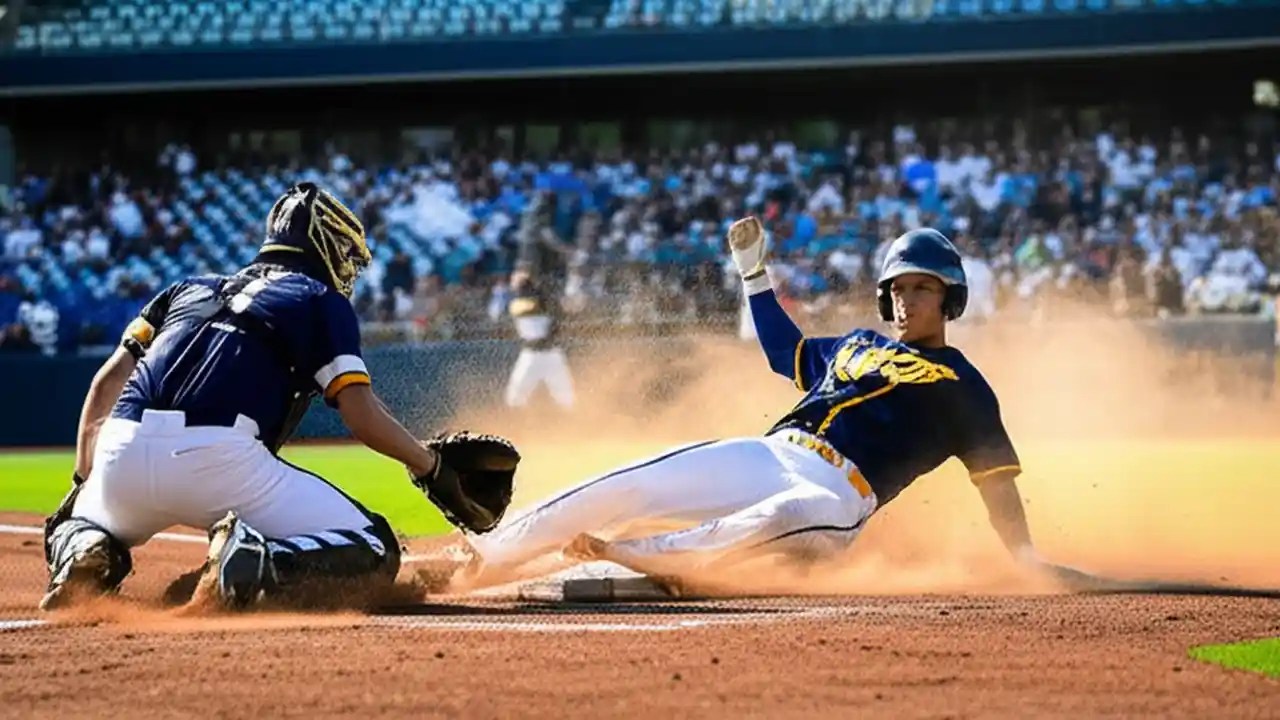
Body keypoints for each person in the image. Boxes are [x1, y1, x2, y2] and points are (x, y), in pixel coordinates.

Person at [419, 219, 1091, 595]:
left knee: (791, 516)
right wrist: (753, 275)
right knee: (636, 479)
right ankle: (486, 558)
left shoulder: (964, 385)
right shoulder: (854, 344)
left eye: (926, 288)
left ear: (951, 298)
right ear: (886, 299)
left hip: (838, 495)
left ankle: (650, 555)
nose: (912, 300)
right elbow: (785, 355)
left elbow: (996, 485)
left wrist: (1025, 555)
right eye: (901, 289)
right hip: (770, 452)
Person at [41, 183, 515, 612]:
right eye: (346, 253)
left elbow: (105, 386)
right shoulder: (318, 299)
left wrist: (87, 480)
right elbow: (360, 416)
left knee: (83, 521)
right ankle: (256, 560)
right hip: (220, 460)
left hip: (120, 452)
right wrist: (428, 465)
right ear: (324, 244)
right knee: (373, 546)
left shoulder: (186, 287)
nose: (349, 266)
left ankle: (84, 545)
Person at [503, 262, 575, 411]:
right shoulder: (517, 304)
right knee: (515, 397)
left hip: (550, 354)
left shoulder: (543, 300)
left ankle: (575, 429)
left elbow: (558, 315)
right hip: (531, 354)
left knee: (566, 398)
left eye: (524, 285)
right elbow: (527, 308)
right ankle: (521, 430)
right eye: (519, 286)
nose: (520, 288)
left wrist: (544, 295)